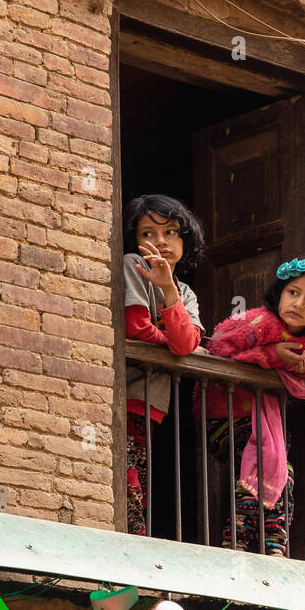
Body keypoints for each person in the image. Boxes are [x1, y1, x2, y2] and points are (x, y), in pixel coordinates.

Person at [197, 256, 305, 556]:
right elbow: (217, 348)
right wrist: (271, 354)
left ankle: (272, 544)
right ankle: (237, 542)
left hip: (270, 428)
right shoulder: (256, 322)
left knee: (283, 473)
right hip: (224, 417)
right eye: (293, 292)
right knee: (268, 464)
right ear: (280, 292)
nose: (299, 303)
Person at [122, 194, 205, 536]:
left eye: (171, 232)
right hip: (121, 393)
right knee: (124, 481)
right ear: (135, 240)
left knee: (135, 478)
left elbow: (187, 343)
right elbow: (135, 327)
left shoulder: (185, 292)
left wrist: (169, 290)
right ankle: (132, 544)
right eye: (148, 234)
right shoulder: (133, 265)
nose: (160, 241)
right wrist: (172, 341)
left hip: (149, 403)